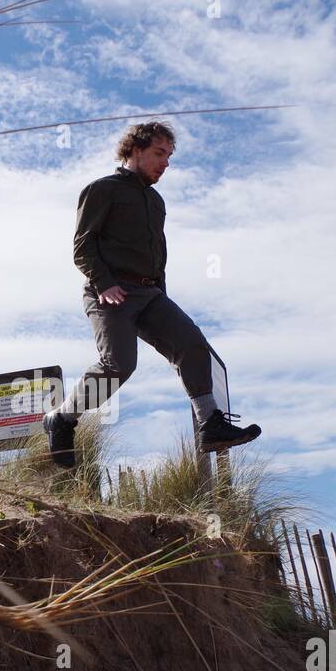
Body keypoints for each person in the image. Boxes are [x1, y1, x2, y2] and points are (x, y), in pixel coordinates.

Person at [41, 120, 261, 468]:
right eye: (159, 153)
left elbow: (158, 255)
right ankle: (63, 418)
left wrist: (163, 297)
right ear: (135, 150)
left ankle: (210, 425)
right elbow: (82, 247)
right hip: (110, 292)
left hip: (150, 293)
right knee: (118, 366)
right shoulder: (102, 189)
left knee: (191, 342)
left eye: (169, 156)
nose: (166, 163)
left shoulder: (156, 202)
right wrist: (104, 282)